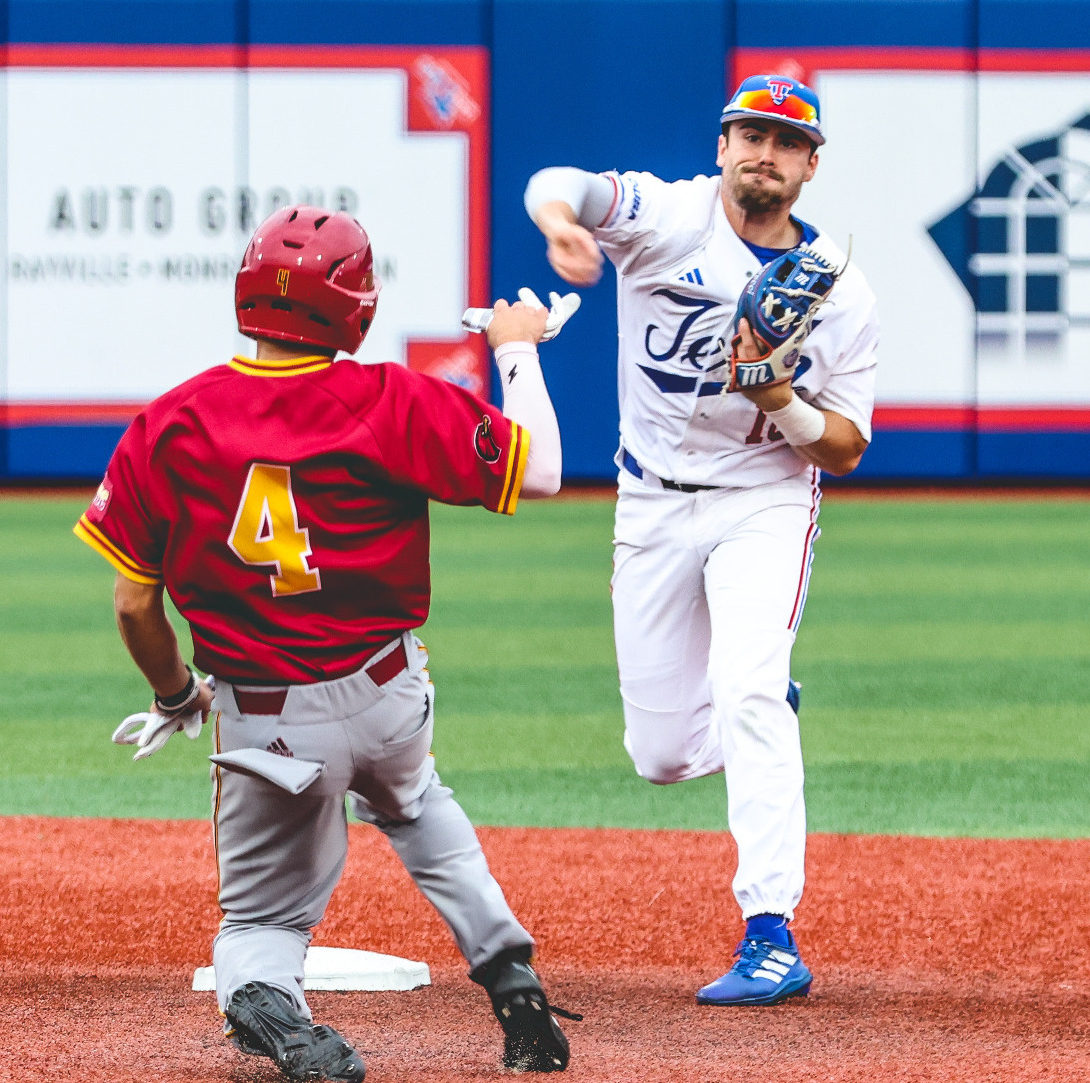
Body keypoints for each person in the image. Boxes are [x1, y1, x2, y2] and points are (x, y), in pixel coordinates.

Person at [73, 206, 577, 1080]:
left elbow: (131, 605)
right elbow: (539, 471)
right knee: (419, 807)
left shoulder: (170, 422)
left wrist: (172, 692)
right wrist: (516, 345)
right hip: (386, 692)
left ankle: (278, 1014)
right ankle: (512, 980)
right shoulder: (393, 398)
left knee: (260, 923)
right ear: (355, 305)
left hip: (267, 721)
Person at [522, 74, 880, 1006]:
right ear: (721, 145)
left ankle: (770, 932)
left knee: (748, 686)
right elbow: (558, 179)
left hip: (762, 499)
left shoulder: (839, 290)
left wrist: (778, 397)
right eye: (747, 134)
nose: (762, 151)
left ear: (809, 165)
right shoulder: (668, 217)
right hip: (647, 503)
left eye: (784, 140)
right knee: (662, 756)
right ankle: (762, 702)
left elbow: (842, 447)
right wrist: (562, 224)